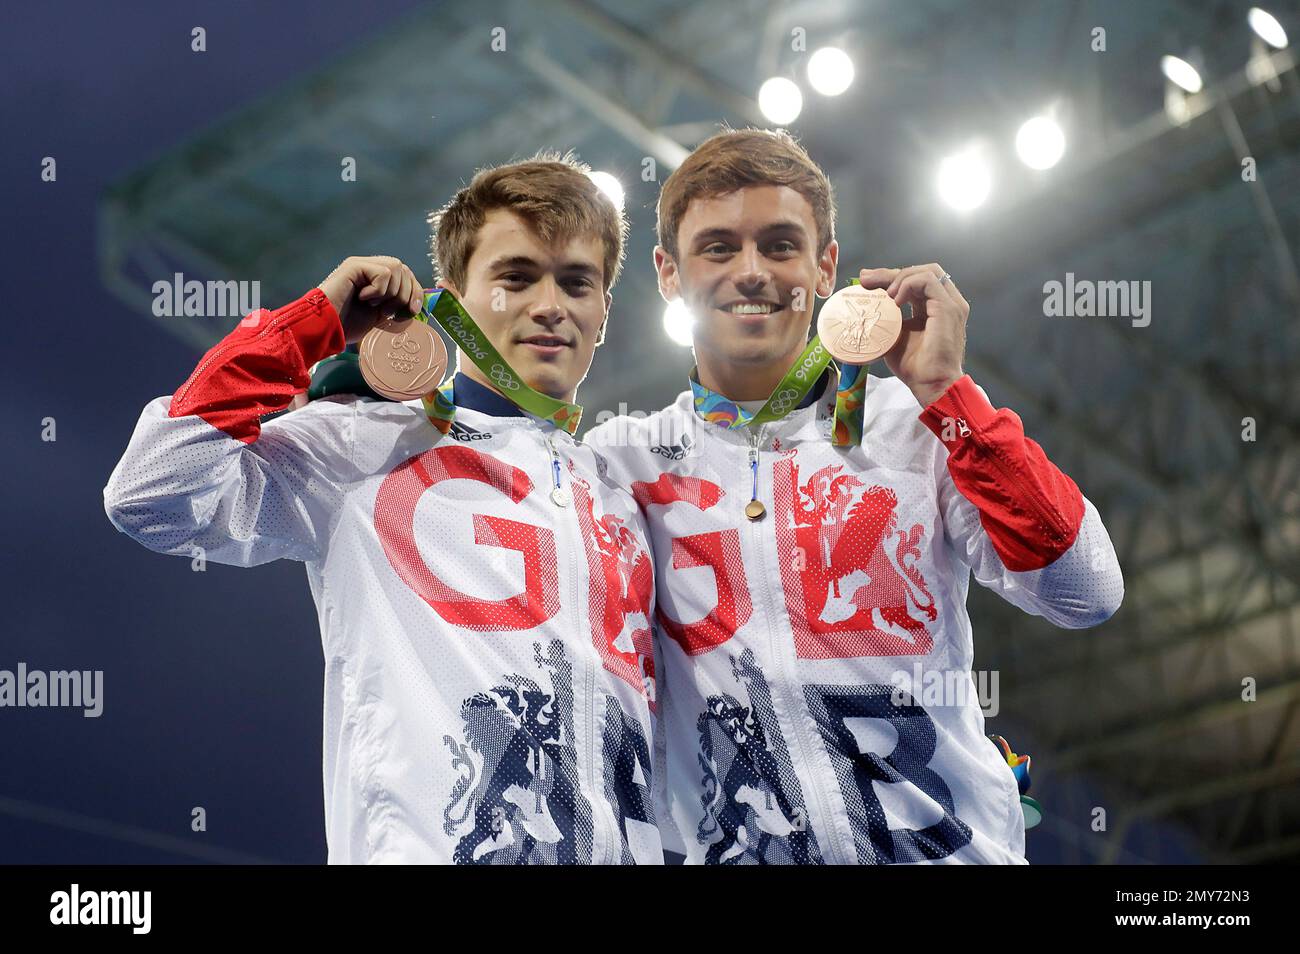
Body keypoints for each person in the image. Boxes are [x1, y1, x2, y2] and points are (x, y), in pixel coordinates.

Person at [103, 153, 663, 865]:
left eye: (576, 282)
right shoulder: (367, 447)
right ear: (451, 300)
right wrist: (310, 326)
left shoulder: (623, 500)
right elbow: (151, 491)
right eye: (516, 277)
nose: (550, 304)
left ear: (603, 312)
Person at [584, 128, 1124, 865]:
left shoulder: (921, 427)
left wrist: (947, 395)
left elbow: (1084, 590)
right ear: (669, 274)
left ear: (826, 265)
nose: (751, 272)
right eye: (718, 248)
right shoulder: (620, 464)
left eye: (779, 245)